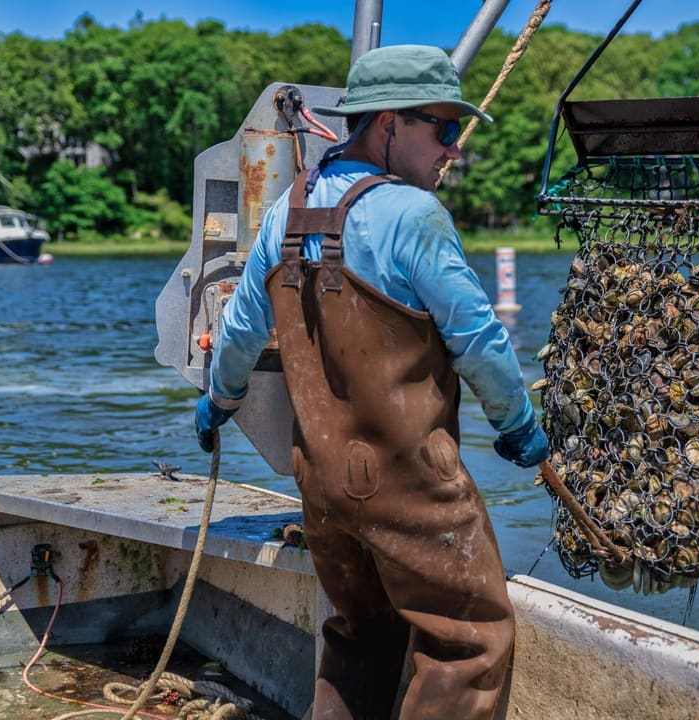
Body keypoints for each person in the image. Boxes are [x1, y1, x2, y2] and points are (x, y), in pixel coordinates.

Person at [194, 44, 548, 719]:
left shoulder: (286, 217)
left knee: (362, 636)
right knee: (466, 641)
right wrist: (518, 423)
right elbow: (477, 339)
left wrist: (219, 400)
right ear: (388, 124)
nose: (453, 148)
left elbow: (239, 332)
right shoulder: (413, 217)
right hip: (410, 486)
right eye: (443, 129)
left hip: (323, 486)